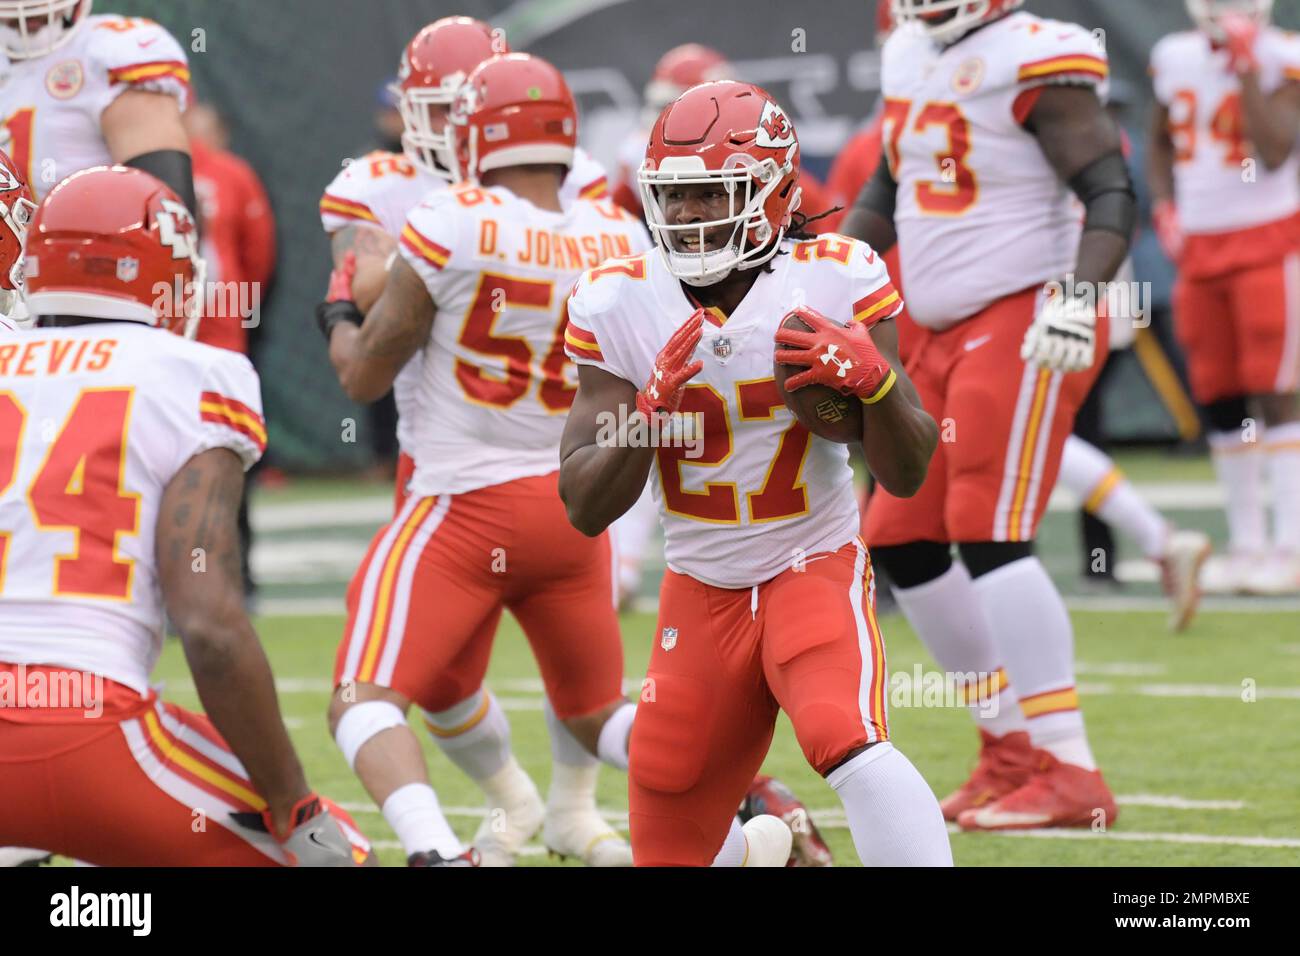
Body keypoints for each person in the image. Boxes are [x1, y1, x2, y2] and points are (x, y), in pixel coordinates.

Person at [559, 79, 952, 867]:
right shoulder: (620, 299)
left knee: (843, 735)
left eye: (712, 196)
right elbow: (582, 503)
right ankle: (766, 847)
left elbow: (906, 474)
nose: (689, 218)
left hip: (811, 561)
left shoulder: (838, 275)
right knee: (668, 827)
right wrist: (646, 418)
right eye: (675, 199)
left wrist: (877, 384)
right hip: (699, 585)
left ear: (772, 192)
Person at [318, 52, 667, 868]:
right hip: (572, 509)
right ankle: (746, 804)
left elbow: (365, 371)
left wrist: (337, 310)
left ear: (476, 133)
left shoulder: (451, 219)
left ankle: (436, 853)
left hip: (461, 503)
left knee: (361, 698)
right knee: (597, 712)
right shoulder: (617, 234)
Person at [0, 163, 367, 866]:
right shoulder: (193, 374)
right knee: (334, 852)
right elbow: (209, 626)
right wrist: (292, 802)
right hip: (92, 733)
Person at [844, 0, 1130, 830]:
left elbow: (1109, 184)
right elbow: (890, 184)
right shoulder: (909, 53)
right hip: (936, 324)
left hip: (1026, 307)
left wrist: (1080, 295)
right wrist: (818, 261)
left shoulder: (1037, 54)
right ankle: (1007, 749)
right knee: (899, 535)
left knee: (988, 524)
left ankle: (1071, 765)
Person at [1149, 0, 1300, 594]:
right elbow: (1158, 139)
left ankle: (1289, 546)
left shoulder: (1283, 53)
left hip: (1269, 239)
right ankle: (1246, 545)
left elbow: (1275, 150)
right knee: (1219, 397)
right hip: (1201, 249)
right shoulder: (1173, 54)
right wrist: (1165, 205)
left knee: (1278, 393)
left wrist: (1244, 67)